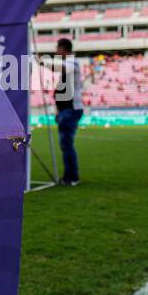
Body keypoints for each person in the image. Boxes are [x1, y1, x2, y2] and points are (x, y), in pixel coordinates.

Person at [53, 37, 83, 185]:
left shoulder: (74, 63)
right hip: (66, 110)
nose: (56, 52)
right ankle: (70, 175)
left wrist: (40, 62)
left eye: (58, 49)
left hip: (71, 110)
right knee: (65, 144)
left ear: (64, 49)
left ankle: (72, 177)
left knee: (66, 144)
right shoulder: (68, 65)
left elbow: (62, 67)